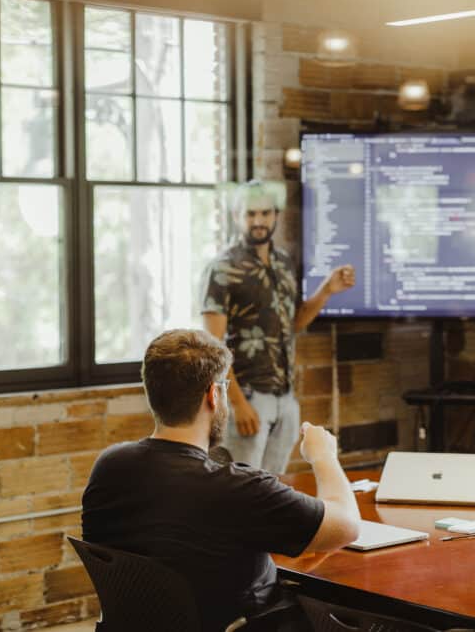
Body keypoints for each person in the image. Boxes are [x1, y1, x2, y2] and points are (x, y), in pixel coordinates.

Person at [82, 329, 361, 631]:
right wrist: (323, 456)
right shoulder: (238, 488)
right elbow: (346, 526)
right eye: (225, 386)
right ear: (214, 395)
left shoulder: (109, 467)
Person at [201, 181, 355, 473]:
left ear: (276, 215)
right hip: (246, 397)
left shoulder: (283, 263)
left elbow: (292, 324)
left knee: (273, 489)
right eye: (250, 214)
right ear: (236, 216)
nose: (258, 221)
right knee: (241, 490)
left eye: (265, 213)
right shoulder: (222, 268)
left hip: (285, 399)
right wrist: (237, 404)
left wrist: (325, 291)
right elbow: (212, 345)